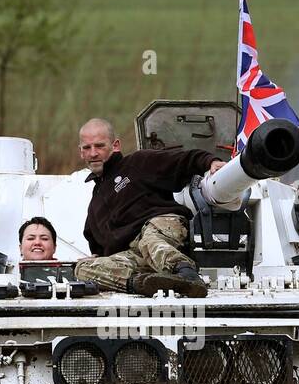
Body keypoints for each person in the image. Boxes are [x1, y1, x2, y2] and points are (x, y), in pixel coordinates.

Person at [73, 117, 225, 298]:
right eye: (87, 148)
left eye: (99, 146)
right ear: (81, 152)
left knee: (149, 239)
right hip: (135, 254)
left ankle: (187, 275)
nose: (93, 153)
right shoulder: (95, 206)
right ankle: (144, 283)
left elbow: (183, 160)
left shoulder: (138, 162)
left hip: (160, 227)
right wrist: (99, 260)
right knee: (81, 269)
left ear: (115, 145)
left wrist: (210, 161)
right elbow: (97, 247)